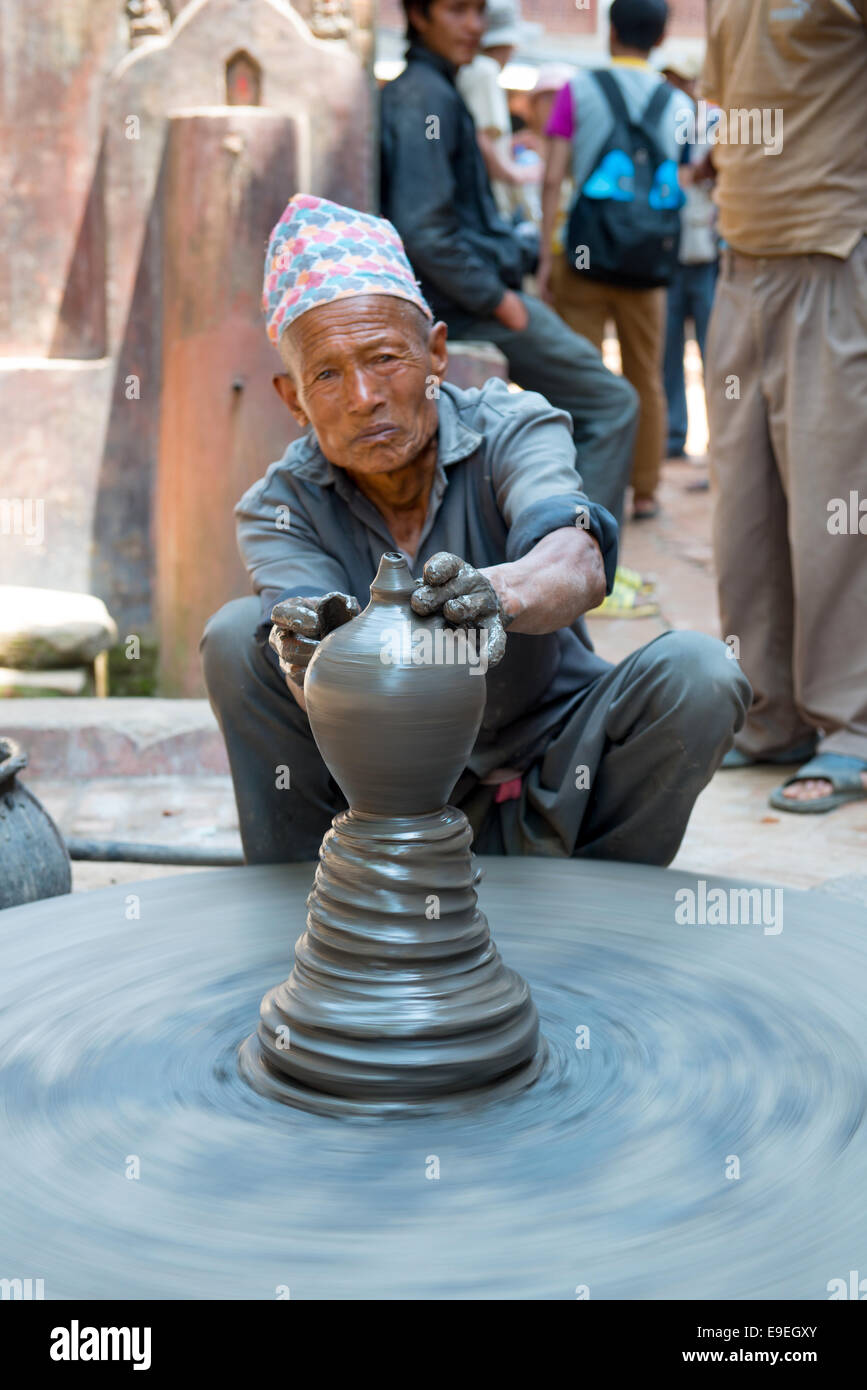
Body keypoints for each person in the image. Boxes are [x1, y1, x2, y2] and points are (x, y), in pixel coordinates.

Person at [200, 194, 750, 865]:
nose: (363, 396)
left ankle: (602, 906)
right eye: (325, 374)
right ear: (292, 399)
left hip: (552, 783)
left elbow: (573, 559)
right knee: (235, 637)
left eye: (384, 359)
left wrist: (498, 594)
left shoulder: (510, 426)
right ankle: (308, 907)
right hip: (385, 810)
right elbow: (304, 643)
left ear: (436, 355)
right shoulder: (279, 505)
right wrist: (312, 652)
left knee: (699, 671)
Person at [379, 0, 639, 534]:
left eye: (479, 12)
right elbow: (424, 233)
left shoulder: (440, 89)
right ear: (418, 16)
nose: (474, 26)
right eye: (457, 11)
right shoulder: (423, 97)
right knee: (612, 404)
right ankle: (578, 559)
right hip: (464, 304)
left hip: (472, 289)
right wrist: (501, 301)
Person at [704, 0, 867, 813]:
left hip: (836, 254)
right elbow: (721, 103)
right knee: (745, 518)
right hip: (739, 265)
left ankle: (853, 730)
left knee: (835, 519)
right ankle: (767, 718)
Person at [538, 0, 690, 521]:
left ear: (610, 30)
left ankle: (576, 485)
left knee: (579, 371)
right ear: (662, 36)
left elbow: (553, 177)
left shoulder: (576, 91)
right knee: (644, 374)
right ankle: (644, 490)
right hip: (647, 265)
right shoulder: (679, 103)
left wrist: (544, 255)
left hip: (584, 257)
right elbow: (681, 181)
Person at [659, 52, 719, 464]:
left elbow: (710, 171)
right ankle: (673, 436)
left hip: (708, 254)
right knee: (669, 353)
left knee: (715, 353)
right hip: (669, 255)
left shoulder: (714, 124)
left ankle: (720, 444)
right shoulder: (662, 122)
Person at [456, 0, 540, 225]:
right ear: (505, 44)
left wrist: (511, 144)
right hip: (487, 206)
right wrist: (517, 173)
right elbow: (481, 139)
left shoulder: (468, 70)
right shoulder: (484, 71)